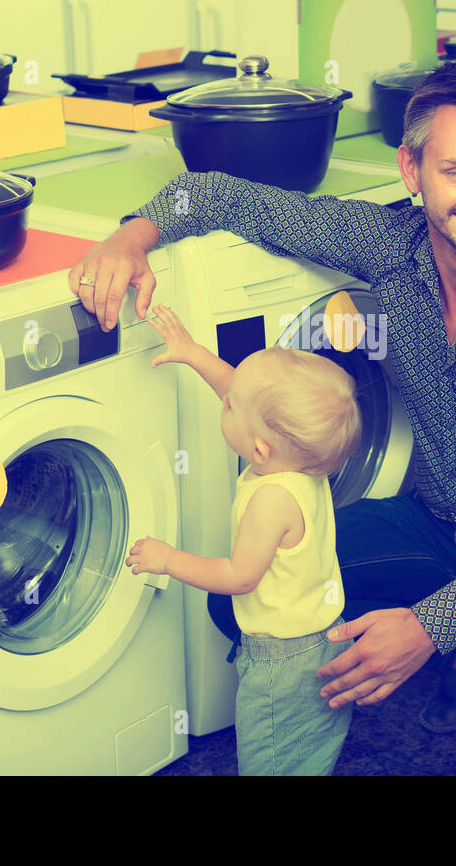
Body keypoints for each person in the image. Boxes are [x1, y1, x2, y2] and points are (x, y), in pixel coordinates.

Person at [69, 59, 456, 731]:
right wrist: (131, 237)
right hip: (434, 517)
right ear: (412, 170)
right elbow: (218, 195)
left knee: (454, 610)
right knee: (237, 607)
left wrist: (428, 625)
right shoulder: (385, 243)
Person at [126, 306, 360, 774]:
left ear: (258, 448)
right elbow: (243, 392)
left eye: (229, 406)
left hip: (282, 658)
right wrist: (193, 354)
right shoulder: (304, 460)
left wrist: (168, 559)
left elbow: (239, 575)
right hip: (324, 634)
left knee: (269, 752)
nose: (225, 400)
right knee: (309, 739)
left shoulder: (271, 499)